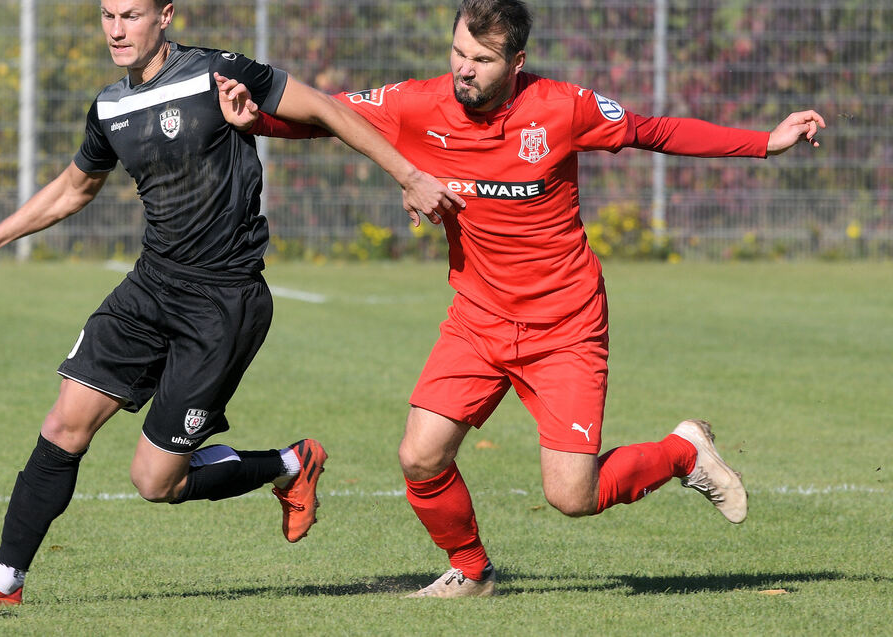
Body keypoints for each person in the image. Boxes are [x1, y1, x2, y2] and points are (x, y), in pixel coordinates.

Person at [219, 0, 824, 598]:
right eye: (458, 52)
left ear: (516, 62)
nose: (464, 69)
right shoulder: (416, 104)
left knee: (572, 497)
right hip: (477, 319)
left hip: (565, 323)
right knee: (420, 457)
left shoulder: (564, 108)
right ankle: (472, 571)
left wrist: (763, 143)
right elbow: (327, 115)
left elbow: (654, 131)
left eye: (481, 59)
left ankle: (682, 452)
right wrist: (256, 121)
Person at [0, 0, 463, 605]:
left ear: (165, 16)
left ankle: (290, 464)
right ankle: (6, 582)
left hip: (222, 303)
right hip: (150, 287)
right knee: (64, 422)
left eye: (131, 15)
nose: (117, 29)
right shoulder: (110, 106)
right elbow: (73, 188)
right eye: (108, 16)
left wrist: (408, 175)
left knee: (155, 481)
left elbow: (324, 108)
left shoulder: (218, 74)